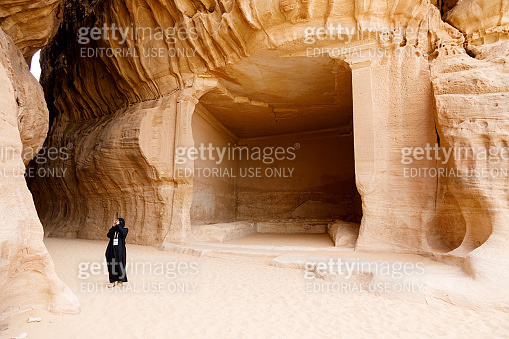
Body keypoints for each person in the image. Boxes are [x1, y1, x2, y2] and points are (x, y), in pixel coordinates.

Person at [105, 218, 128, 287]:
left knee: (120, 264)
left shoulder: (125, 229)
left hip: (120, 250)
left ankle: (120, 280)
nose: (117, 223)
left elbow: (123, 233)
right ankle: (112, 281)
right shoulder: (114, 230)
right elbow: (108, 235)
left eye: (119, 222)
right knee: (111, 264)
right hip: (111, 249)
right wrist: (113, 227)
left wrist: (118, 226)